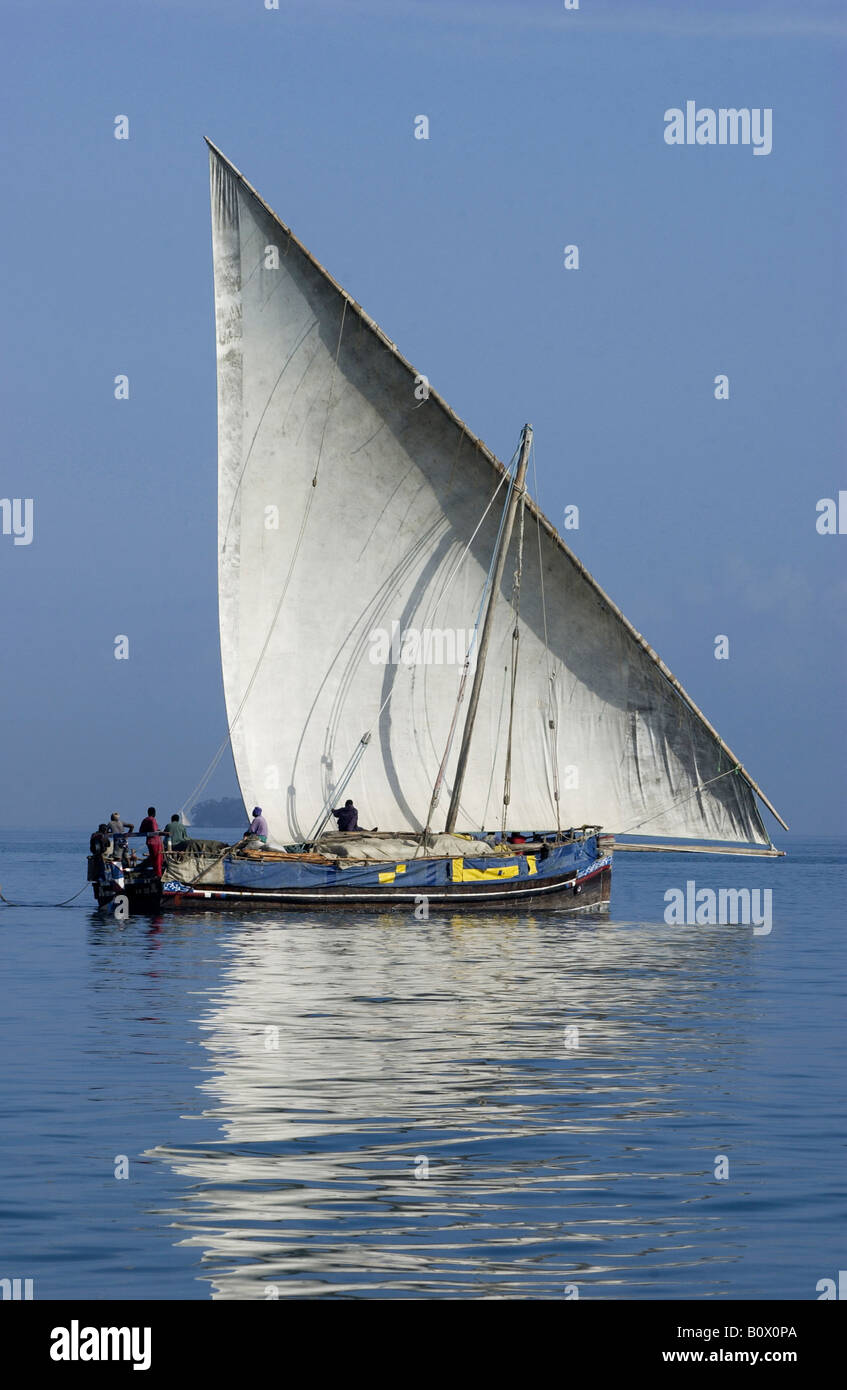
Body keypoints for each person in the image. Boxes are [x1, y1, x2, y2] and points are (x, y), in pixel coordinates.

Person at [138, 806, 163, 877]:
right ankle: (159, 875)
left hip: (149, 842)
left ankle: (155, 873)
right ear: (154, 813)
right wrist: (158, 831)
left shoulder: (145, 820)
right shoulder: (152, 820)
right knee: (158, 859)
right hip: (156, 842)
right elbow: (154, 830)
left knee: (153, 858)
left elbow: (141, 831)